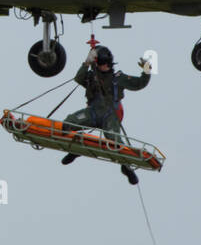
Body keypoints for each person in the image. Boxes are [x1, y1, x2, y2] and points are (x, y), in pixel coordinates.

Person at [60, 46, 151, 184]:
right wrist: (86, 63)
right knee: (68, 123)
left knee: (117, 143)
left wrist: (146, 70)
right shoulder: (92, 76)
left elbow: (140, 83)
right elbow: (79, 78)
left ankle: (126, 168)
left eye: (106, 64)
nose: (104, 67)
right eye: (101, 64)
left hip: (110, 116)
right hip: (93, 112)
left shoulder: (118, 78)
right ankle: (76, 149)